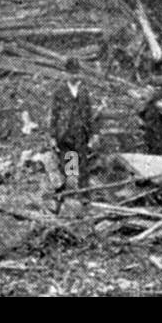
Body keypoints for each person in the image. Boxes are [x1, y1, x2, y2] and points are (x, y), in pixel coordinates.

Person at [48, 57, 94, 213]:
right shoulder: (59, 92)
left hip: (81, 133)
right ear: (65, 74)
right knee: (70, 166)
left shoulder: (83, 91)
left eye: (76, 73)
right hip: (65, 134)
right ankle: (71, 199)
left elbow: (89, 114)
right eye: (71, 73)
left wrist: (92, 135)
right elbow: (54, 114)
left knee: (83, 166)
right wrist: (53, 136)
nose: (74, 76)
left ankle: (85, 199)